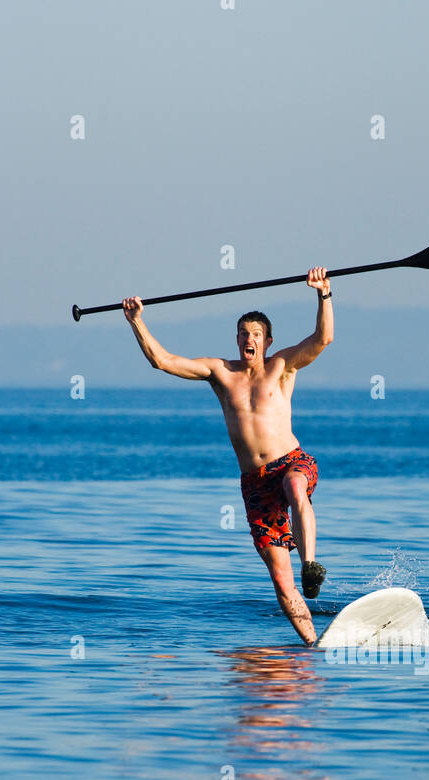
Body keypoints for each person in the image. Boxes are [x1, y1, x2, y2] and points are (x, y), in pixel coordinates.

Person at [122, 267, 334, 645]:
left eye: (256, 334)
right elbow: (162, 360)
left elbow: (323, 339)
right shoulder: (220, 372)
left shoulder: (282, 366)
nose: (248, 340)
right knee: (280, 583)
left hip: (291, 462)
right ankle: (313, 647)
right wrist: (137, 320)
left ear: (268, 341)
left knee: (294, 487)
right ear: (236, 339)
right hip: (255, 484)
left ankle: (310, 565)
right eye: (243, 334)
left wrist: (323, 294)